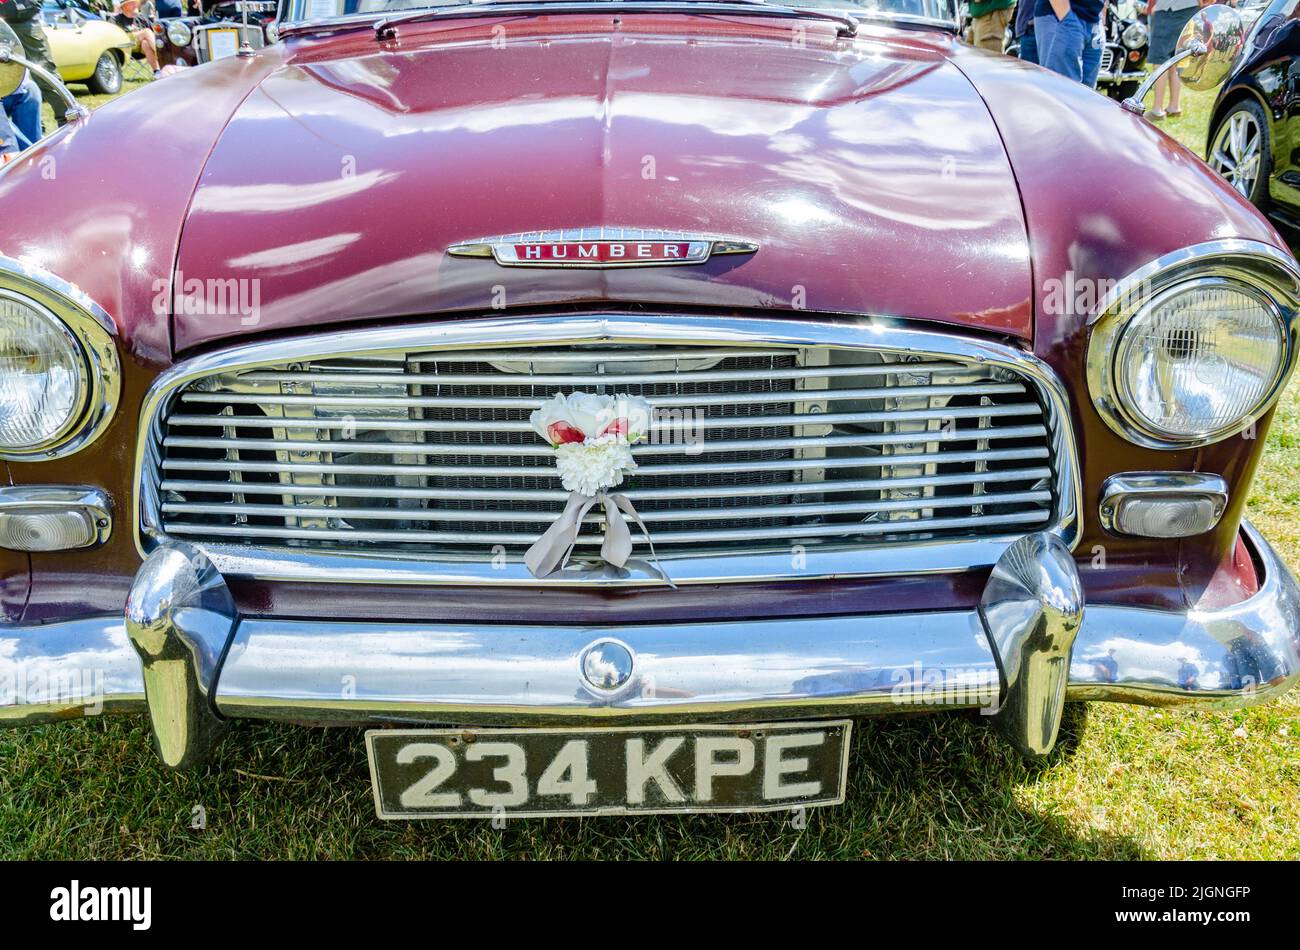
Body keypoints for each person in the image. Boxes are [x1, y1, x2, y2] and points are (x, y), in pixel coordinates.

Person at [0, 0, 71, 129]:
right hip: (6, 21)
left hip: (25, 20)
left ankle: (68, 118)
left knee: (45, 73)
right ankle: (36, 127)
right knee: (7, 77)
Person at [1145, 0, 1201, 119]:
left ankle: (1157, 110)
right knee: (1175, 57)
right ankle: (1174, 106)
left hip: (1170, 8)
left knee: (1160, 58)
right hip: (1189, 7)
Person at [1034, 0, 1104, 83]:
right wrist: (1067, 18)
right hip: (1062, 16)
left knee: (1086, 93)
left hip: (1094, 20)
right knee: (1060, 90)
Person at [111, 0, 159, 75]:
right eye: (131, 3)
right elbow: (113, 38)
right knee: (146, 31)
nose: (135, 5)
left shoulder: (141, 18)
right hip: (126, 48)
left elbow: (154, 32)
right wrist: (138, 34)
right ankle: (162, 56)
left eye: (135, 3)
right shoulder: (115, 19)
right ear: (124, 6)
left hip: (141, 50)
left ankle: (157, 72)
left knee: (145, 43)